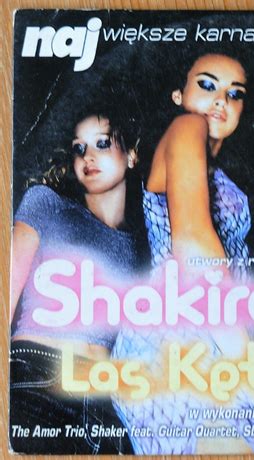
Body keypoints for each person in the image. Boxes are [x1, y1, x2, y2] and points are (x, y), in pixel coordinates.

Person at [112, 52, 254, 455]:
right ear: (178, 95)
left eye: (235, 94)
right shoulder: (185, 127)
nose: (221, 100)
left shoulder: (220, 173)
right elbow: (195, 250)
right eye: (207, 85)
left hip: (220, 343)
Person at [10, 109, 143, 454]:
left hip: (105, 408)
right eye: (79, 148)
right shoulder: (46, 204)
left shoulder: (140, 247)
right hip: (37, 381)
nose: (88, 156)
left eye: (102, 143)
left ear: (132, 155)